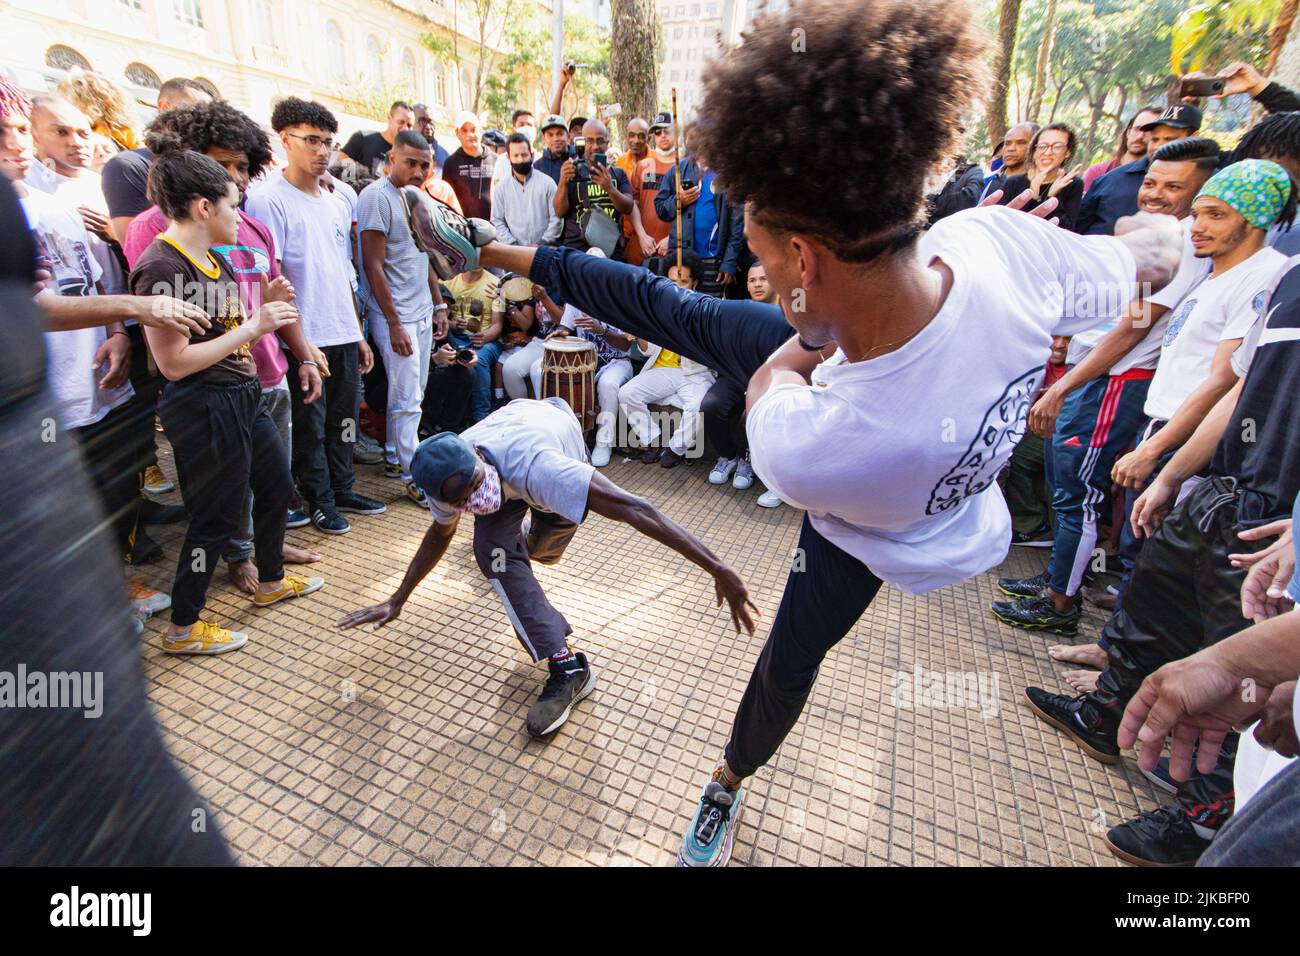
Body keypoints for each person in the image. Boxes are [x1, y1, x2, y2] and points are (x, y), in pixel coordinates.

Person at [403, 0, 1183, 867]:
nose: (760, 275)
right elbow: (1146, 259)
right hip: (846, 348)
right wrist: (1162, 234)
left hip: (886, 530)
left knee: (788, 659)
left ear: (804, 261)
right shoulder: (994, 241)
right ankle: (486, 249)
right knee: (671, 306)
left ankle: (726, 782)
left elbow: (785, 367)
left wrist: (799, 348)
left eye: (763, 256)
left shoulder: (826, 445)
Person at [1024, 160, 1295, 866]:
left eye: (1214, 214)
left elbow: (1218, 388)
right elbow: (1236, 388)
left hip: (1255, 494)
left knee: (1234, 656)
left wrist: (1167, 461)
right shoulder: (1265, 283)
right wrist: (1174, 468)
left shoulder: (1263, 276)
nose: (1197, 226)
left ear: (1258, 219)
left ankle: (1204, 814)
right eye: (1196, 211)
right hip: (1209, 473)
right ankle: (1104, 713)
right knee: (1153, 598)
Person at [336, 400, 758, 739]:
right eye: (464, 502)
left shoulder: (541, 468)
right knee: (490, 550)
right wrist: (399, 597)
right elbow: (440, 536)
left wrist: (716, 567)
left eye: (476, 487)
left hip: (547, 443)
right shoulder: (438, 481)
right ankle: (569, 666)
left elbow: (636, 509)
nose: (474, 502)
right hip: (516, 449)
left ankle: (530, 534)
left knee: (544, 552)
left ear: (478, 457)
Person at [996, 137, 1222, 640]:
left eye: (1174, 186)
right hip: (1096, 376)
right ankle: (1060, 579)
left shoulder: (1182, 245)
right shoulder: (1155, 234)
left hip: (1116, 381)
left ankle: (1061, 603)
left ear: (1206, 191)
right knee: (1066, 487)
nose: (1156, 194)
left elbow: (1132, 328)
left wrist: (1062, 388)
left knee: (1080, 493)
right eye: (1151, 182)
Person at [121, 100, 327, 591]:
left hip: (260, 378)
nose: (234, 177)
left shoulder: (244, 229)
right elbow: (169, 348)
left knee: (273, 484)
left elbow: (269, 293)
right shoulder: (158, 241)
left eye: (240, 166)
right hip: (208, 395)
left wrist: (302, 351)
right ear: (200, 197)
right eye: (221, 165)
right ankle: (231, 569)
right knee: (220, 506)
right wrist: (252, 328)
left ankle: (268, 556)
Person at [247, 98, 387, 535]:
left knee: (344, 419)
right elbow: (273, 279)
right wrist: (302, 347)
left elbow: (345, 269)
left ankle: (343, 487)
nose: (322, 150)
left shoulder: (338, 198)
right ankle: (319, 499)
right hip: (303, 337)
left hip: (343, 328)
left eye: (328, 141)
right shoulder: (268, 200)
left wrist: (359, 333)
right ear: (284, 140)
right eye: (311, 140)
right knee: (312, 424)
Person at [357, 129, 449, 507]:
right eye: (410, 162)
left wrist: (439, 303)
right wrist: (394, 322)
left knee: (414, 392)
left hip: (422, 311)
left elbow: (424, 254)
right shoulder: (376, 198)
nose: (418, 170)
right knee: (408, 396)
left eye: (424, 165)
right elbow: (372, 265)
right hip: (394, 313)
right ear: (391, 159)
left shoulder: (417, 197)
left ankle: (397, 457)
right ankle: (415, 475)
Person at [618, 252, 717, 468]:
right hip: (663, 370)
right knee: (626, 393)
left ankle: (675, 448)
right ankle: (653, 441)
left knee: (699, 405)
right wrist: (636, 331)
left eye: (684, 281)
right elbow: (647, 351)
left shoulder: (706, 308)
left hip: (695, 374)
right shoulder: (659, 309)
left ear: (695, 283)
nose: (679, 287)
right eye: (673, 282)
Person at [101, 78, 211, 242]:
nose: (204, 121)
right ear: (165, 107)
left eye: (208, 114)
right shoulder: (128, 166)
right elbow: (136, 245)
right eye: (195, 110)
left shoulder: (207, 164)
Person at [1076, 105, 1202, 236]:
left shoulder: (1207, 184)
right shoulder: (1110, 180)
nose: (1159, 146)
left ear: (1194, 137)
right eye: (1155, 139)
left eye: (1170, 139)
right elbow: (1077, 231)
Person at [655, 125, 746, 294]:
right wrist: (678, 200)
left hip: (713, 259)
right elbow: (661, 210)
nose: (695, 142)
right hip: (681, 258)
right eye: (690, 138)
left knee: (709, 309)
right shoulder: (676, 170)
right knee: (680, 306)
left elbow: (737, 222)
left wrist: (729, 261)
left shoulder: (726, 173)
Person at [554, 118, 634, 258]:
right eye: (590, 141)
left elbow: (628, 207)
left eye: (600, 141)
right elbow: (559, 212)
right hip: (577, 248)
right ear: (582, 144)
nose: (595, 146)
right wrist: (563, 181)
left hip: (610, 247)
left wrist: (610, 188)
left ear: (607, 144)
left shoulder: (618, 173)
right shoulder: (572, 171)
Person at [996, 123, 1084, 230]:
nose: (1048, 152)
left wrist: (1053, 197)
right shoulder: (1014, 182)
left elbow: (1067, 229)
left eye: (1057, 146)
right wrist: (1033, 195)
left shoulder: (1073, 184)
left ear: (1067, 152)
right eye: (1042, 146)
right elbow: (999, 221)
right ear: (1034, 151)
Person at [489, 131, 560, 246]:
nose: (521, 160)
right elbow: (497, 221)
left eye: (524, 155)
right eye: (516, 156)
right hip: (513, 254)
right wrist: (513, 244)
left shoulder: (547, 183)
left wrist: (542, 243)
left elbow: (556, 218)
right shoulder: (501, 188)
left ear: (531, 154)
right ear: (508, 158)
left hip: (545, 250)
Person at [628, 112, 675, 268]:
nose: (663, 135)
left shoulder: (685, 167)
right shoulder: (642, 166)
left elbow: (691, 211)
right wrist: (641, 235)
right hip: (640, 249)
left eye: (667, 131)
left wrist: (672, 238)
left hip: (670, 252)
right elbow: (632, 204)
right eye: (658, 132)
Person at [1083, 108, 1161, 192]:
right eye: (1137, 129)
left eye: (1149, 131)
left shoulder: (1155, 178)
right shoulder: (1098, 172)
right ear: (1128, 132)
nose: (1140, 136)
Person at [340, 100, 415, 181]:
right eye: (401, 122)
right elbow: (343, 161)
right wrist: (352, 185)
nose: (405, 128)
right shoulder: (363, 138)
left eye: (409, 125)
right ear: (389, 118)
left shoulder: (409, 154)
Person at [442, 111, 495, 221]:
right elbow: (446, 199)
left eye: (473, 130)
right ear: (457, 133)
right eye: (464, 130)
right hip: (465, 228)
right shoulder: (451, 163)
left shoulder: (497, 160)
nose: (470, 135)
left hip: (495, 227)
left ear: (480, 131)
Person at [979, 122, 1036, 200]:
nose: (1011, 149)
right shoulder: (986, 180)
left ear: (1035, 146)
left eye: (1020, 143)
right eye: (1007, 143)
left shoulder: (1041, 183)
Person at [926, 155, 986, 225]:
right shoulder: (956, 170)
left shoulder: (974, 170)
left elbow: (970, 197)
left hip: (947, 226)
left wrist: (935, 201)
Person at [533, 113, 569, 185]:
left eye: (560, 134)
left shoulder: (579, 158)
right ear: (544, 139)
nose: (555, 139)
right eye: (550, 135)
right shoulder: (537, 167)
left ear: (568, 136)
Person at [410, 103, 449, 169]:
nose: (428, 127)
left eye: (430, 122)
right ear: (411, 123)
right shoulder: (401, 154)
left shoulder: (444, 155)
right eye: (422, 121)